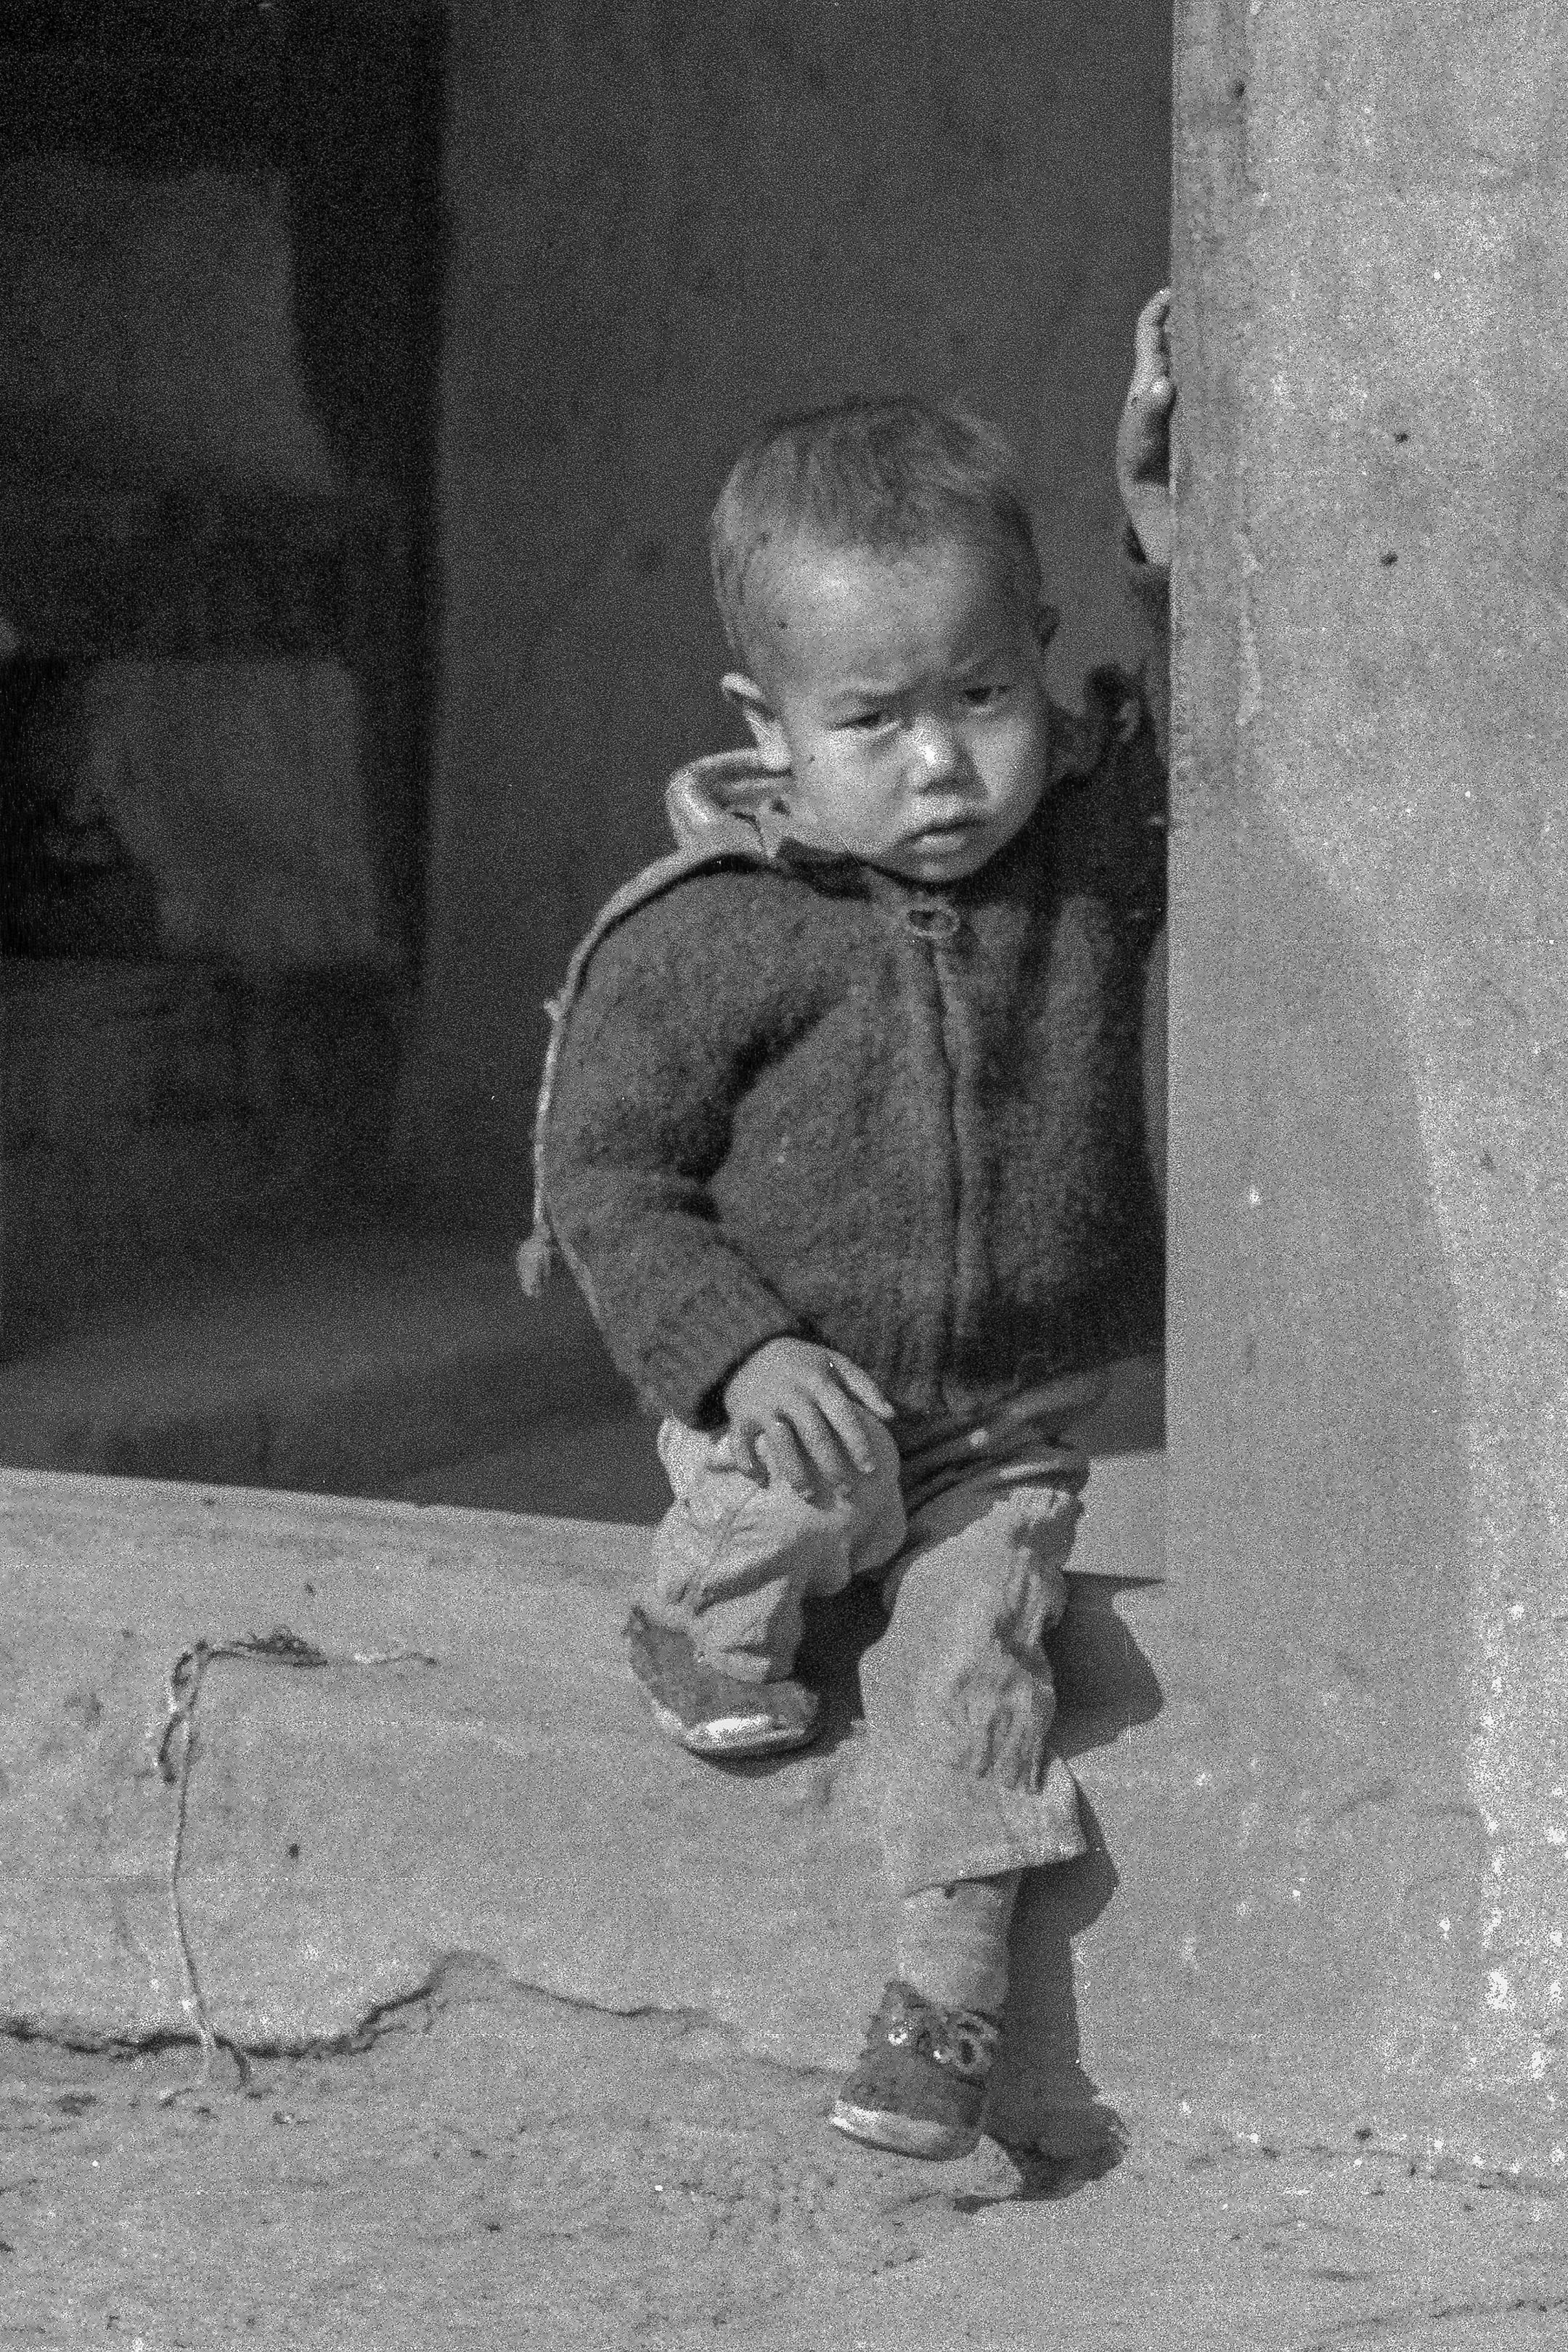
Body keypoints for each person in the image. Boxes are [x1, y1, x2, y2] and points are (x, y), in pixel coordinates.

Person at [522, 292, 1175, 2163]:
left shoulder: (1089, 863)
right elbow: (610, 1179)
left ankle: (940, 2016)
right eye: (871, 722)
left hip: (1001, 1431)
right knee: (809, 1498)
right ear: (771, 727)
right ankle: (696, 1616)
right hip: (794, 1403)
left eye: (983, 698)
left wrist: (1171, 533)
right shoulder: (711, 927)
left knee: (982, 1673)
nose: (945, 768)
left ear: (1043, 655)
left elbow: (1214, 732)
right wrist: (738, 1347)